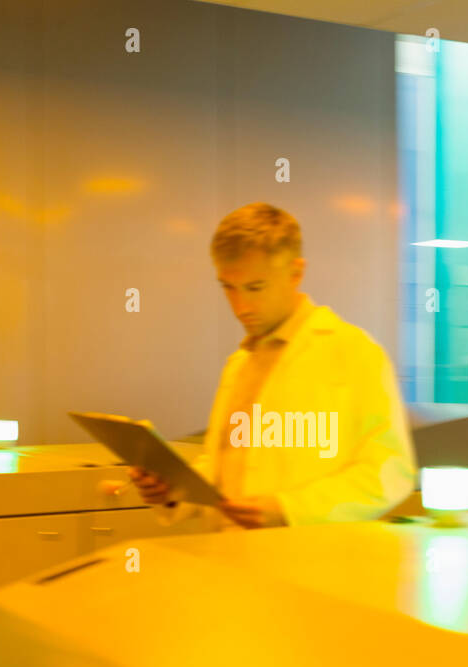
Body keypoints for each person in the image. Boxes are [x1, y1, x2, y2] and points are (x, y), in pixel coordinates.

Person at [118, 202, 415, 530]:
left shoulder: (353, 353)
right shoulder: (241, 362)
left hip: (309, 563)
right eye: (228, 287)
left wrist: (288, 509)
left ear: (296, 273)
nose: (241, 306)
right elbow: (226, 467)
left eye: (255, 288)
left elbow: (390, 472)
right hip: (231, 559)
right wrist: (172, 490)